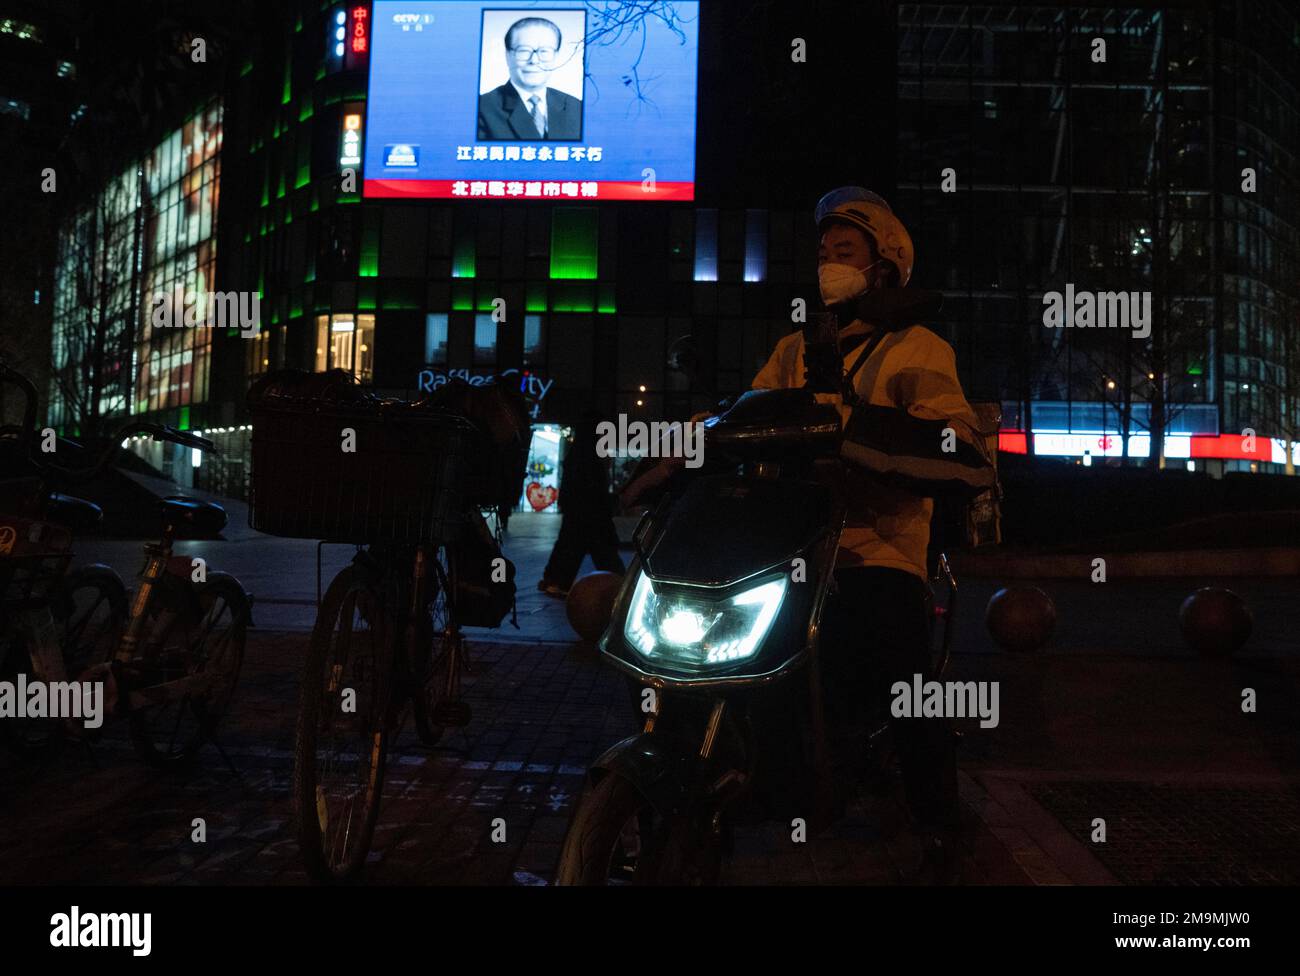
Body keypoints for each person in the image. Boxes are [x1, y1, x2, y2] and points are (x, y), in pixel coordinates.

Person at [750, 186, 995, 883]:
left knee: (903, 675)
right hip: (795, 550)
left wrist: (859, 432)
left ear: (883, 265)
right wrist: (681, 450)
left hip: (878, 548)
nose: (829, 261)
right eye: (824, 251)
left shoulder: (919, 346)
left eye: (846, 251)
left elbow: (955, 442)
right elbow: (749, 410)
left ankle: (936, 820)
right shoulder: (794, 348)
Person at [539, 413, 625, 597]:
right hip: (592, 513)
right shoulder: (591, 462)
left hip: (581, 511)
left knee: (571, 544)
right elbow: (594, 490)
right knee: (600, 549)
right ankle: (620, 584)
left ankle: (556, 580)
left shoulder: (578, 457)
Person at [478, 17, 583, 141]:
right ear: (508, 55)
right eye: (523, 50)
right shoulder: (482, 108)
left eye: (544, 51)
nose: (534, 60)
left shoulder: (576, 107)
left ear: (556, 56)